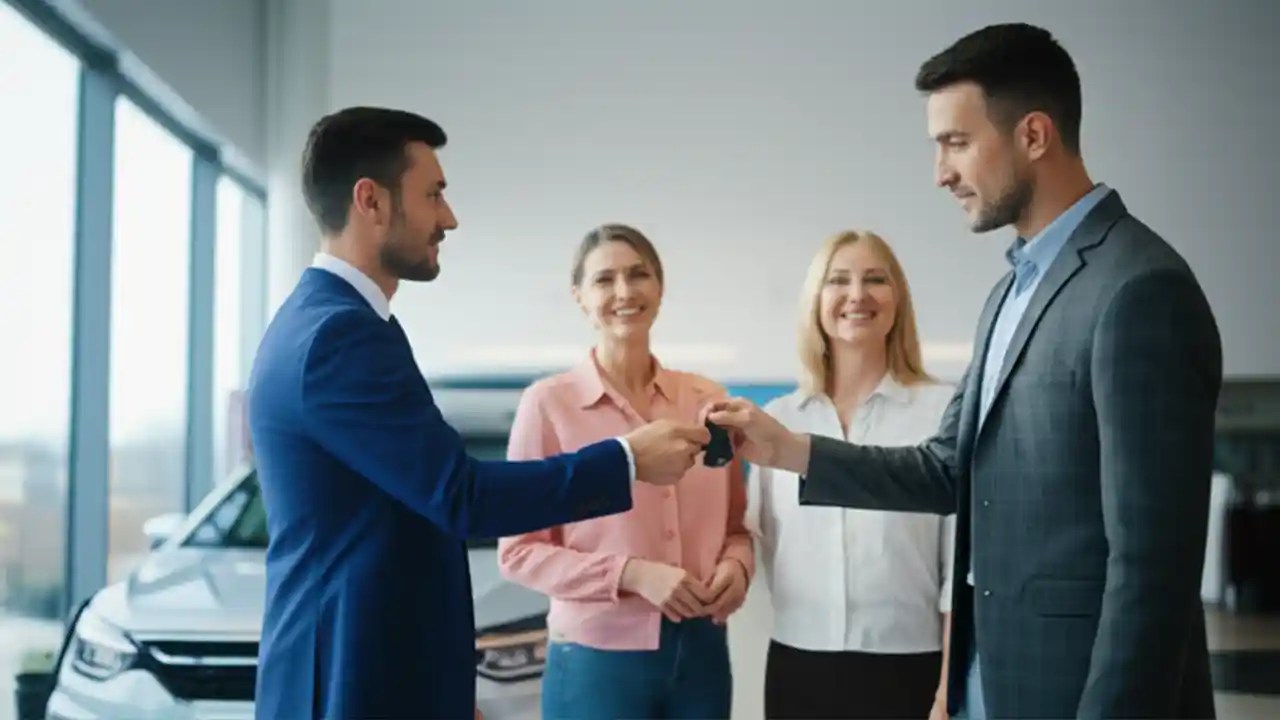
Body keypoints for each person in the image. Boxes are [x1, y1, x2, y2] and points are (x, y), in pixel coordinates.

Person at [707, 23, 1222, 720]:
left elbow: (1154, 569)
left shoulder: (1138, 289)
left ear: (1033, 136)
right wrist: (788, 450)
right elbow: (948, 468)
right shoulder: (1011, 291)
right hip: (994, 684)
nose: (940, 172)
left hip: (1073, 695)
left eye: (956, 142)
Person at [246, 108, 711, 720]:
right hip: (352, 680)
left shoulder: (333, 323)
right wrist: (626, 460)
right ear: (372, 201)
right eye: (433, 194)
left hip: (373, 668)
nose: (449, 217)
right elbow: (461, 495)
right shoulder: (340, 336)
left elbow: (401, 508)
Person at [497, 224, 753, 720]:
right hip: (597, 660)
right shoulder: (548, 404)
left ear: (660, 287)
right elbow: (519, 550)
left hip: (702, 651)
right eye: (604, 279)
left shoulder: (706, 400)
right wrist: (630, 573)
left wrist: (736, 568)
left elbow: (737, 530)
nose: (624, 291)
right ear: (579, 297)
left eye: (639, 275)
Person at [746, 230, 954, 720]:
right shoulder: (778, 421)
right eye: (838, 280)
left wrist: (947, 692)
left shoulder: (943, 412)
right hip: (799, 668)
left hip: (912, 670)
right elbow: (761, 542)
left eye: (874, 279)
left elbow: (961, 569)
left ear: (897, 299)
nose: (857, 295)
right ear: (815, 302)